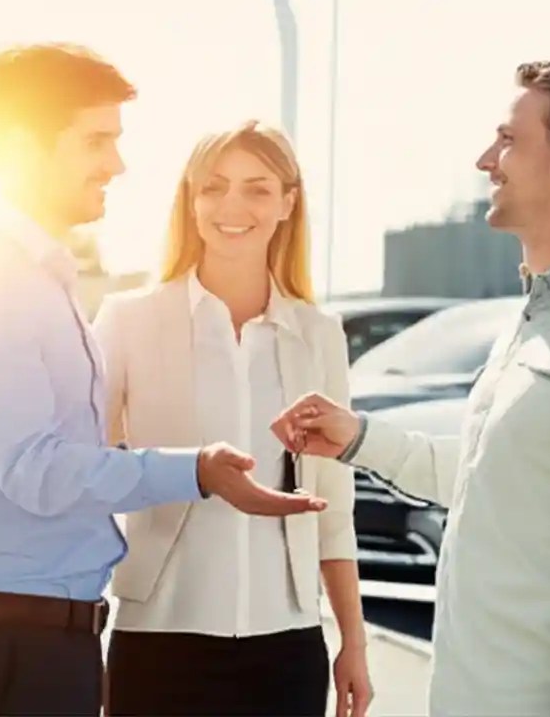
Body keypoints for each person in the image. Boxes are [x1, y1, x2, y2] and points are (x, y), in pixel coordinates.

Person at [0, 44, 325, 717]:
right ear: (19, 146)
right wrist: (198, 472)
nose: (117, 164)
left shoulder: (43, 282)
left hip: (43, 642)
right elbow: (37, 472)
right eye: (97, 140)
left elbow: (78, 456)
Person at [272, 61, 550, 717]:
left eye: (508, 140)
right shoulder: (532, 317)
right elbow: (483, 479)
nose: (485, 160)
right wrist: (359, 438)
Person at [93, 120, 373, 717]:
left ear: (287, 204)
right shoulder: (128, 320)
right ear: (190, 202)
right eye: (213, 187)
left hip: (288, 644)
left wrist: (354, 642)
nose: (232, 206)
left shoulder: (319, 336)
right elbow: (86, 475)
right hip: (158, 638)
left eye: (257, 188)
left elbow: (335, 510)